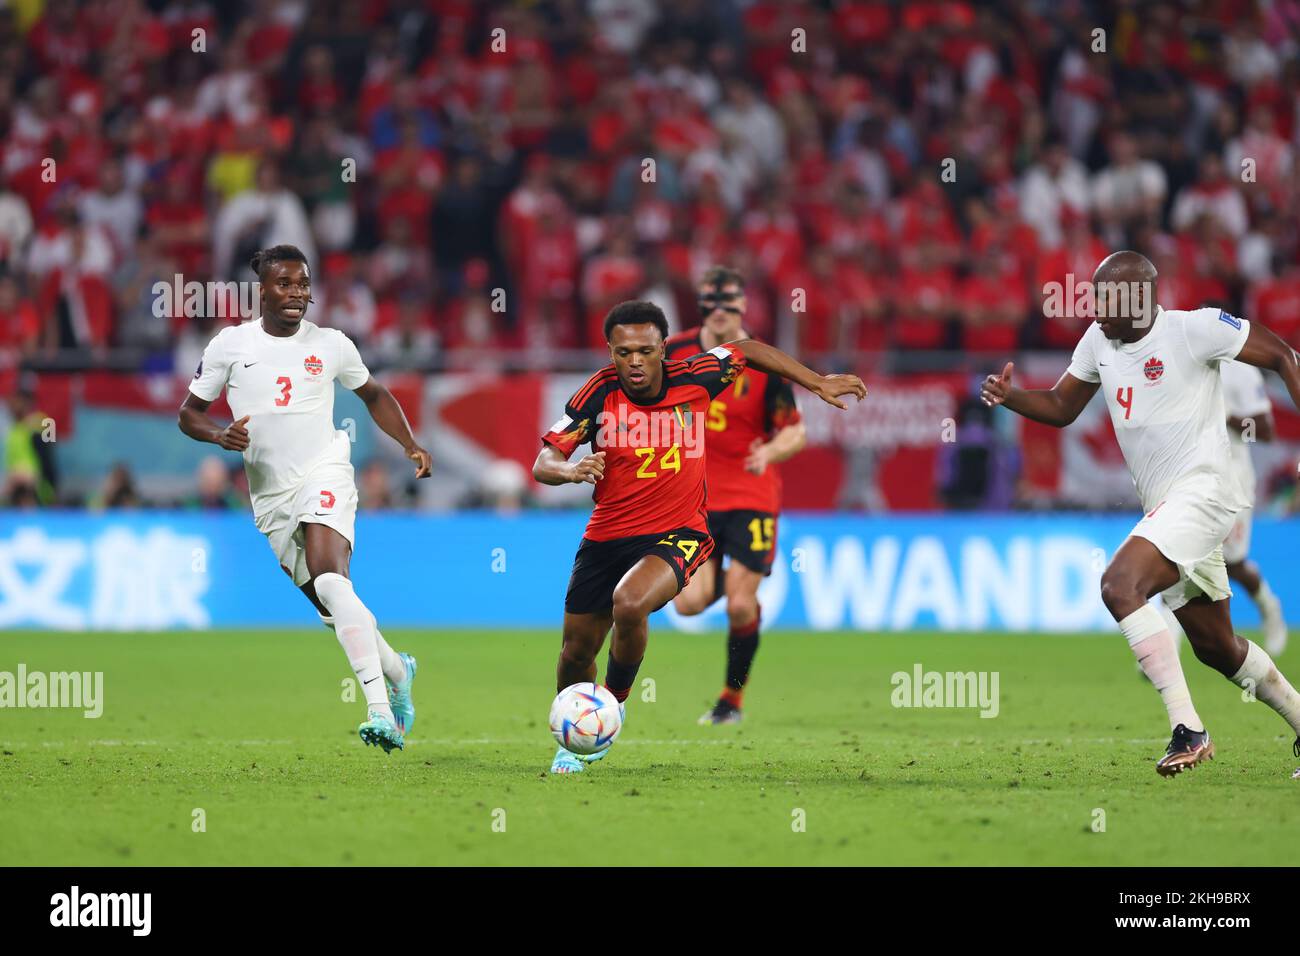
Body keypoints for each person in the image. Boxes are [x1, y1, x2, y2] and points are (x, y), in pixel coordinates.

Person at [981, 250, 1300, 777]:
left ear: (1141, 298)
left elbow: (1284, 355)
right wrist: (1012, 397)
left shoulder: (1193, 329)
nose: (1096, 308)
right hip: (1168, 508)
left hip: (1205, 492)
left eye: (1107, 298)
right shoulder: (1098, 341)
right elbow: (1062, 408)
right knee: (1217, 648)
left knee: (1118, 585)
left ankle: (1188, 729)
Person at [533, 300, 865, 774]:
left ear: (663, 348)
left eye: (645, 350)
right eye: (623, 352)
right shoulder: (597, 393)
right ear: (610, 351)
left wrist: (816, 381)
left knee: (630, 602)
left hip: (679, 530)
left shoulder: (697, 376)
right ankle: (574, 740)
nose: (634, 362)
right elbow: (542, 461)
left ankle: (615, 705)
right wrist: (568, 470)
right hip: (607, 533)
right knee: (574, 654)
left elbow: (747, 348)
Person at [178, 244, 432, 753]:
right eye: (285, 284)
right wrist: (218, 435)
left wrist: (409, 444)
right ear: (263, 290)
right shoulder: (230, 345)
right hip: (270, 495)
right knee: (330, 604)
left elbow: (374, 395)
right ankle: (397, 669)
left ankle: (380, 709)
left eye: (303, 284)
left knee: (334, 580)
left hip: (325, 471)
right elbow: (189, 413)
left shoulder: (334, 344)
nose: (297, 294)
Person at [664, 266, 806, 724]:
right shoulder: (674, 353)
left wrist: (770, 451)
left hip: (750, 492)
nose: (720, 312)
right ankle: (746, 581)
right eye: (712, 303)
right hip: (695, 496)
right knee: (687, 604)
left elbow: (794, 431)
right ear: (700, 305)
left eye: (729, 303)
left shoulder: (762, 358)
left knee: (740, 606)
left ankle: (731, 700)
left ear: (744, 306)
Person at [1219, 358, 1287, 655]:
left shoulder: (1241, 371)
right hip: (1188, 476)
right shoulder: (1183, 361)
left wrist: (1228, 416)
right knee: (1179, 562)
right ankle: (1162, 650)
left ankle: (1269, 608)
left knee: (1232, 564)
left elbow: (1266, 430)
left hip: (1232, 479)